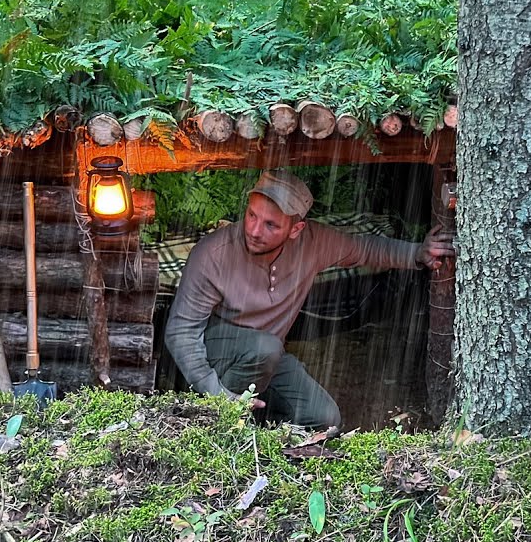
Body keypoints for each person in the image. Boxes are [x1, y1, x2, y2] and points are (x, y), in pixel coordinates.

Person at [163, 169, 455, 431]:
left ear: (296, 230)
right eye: (252, 216)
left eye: (270, 225)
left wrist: (418, 253)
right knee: (264, 347)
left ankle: (260, 429)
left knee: (325, 419)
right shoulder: (213, 254)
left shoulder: (312, 244)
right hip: (217, 354)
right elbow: (181, 333)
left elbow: (365, 248)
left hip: (268, 357)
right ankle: (222, 423)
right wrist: (215, 394)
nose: (254, 231)